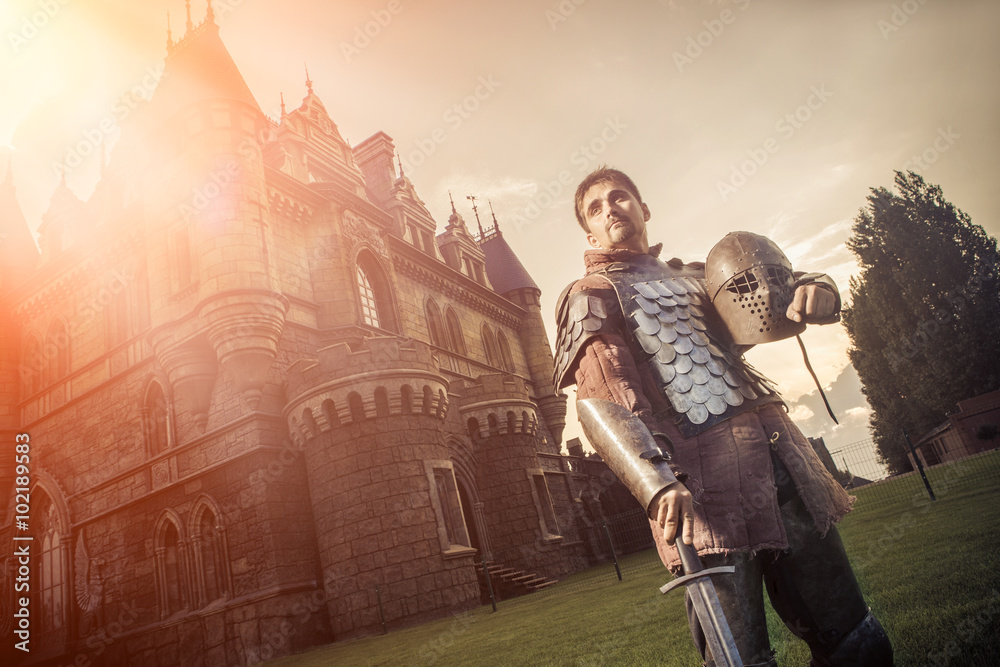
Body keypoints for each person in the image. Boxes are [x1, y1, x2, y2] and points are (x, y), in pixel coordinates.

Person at [553, 167, 893, 666]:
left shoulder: (697, 277)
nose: (611, 209)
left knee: (854, 639)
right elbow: (602, 398)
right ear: (590, 233)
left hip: (782, 459)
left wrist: (818, 287)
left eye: (620, 197)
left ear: (643, 209)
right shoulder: (590, 294)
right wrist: (654, 479)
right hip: (700, 491)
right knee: (742, 660)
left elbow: (779, 294)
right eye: (596, 208)